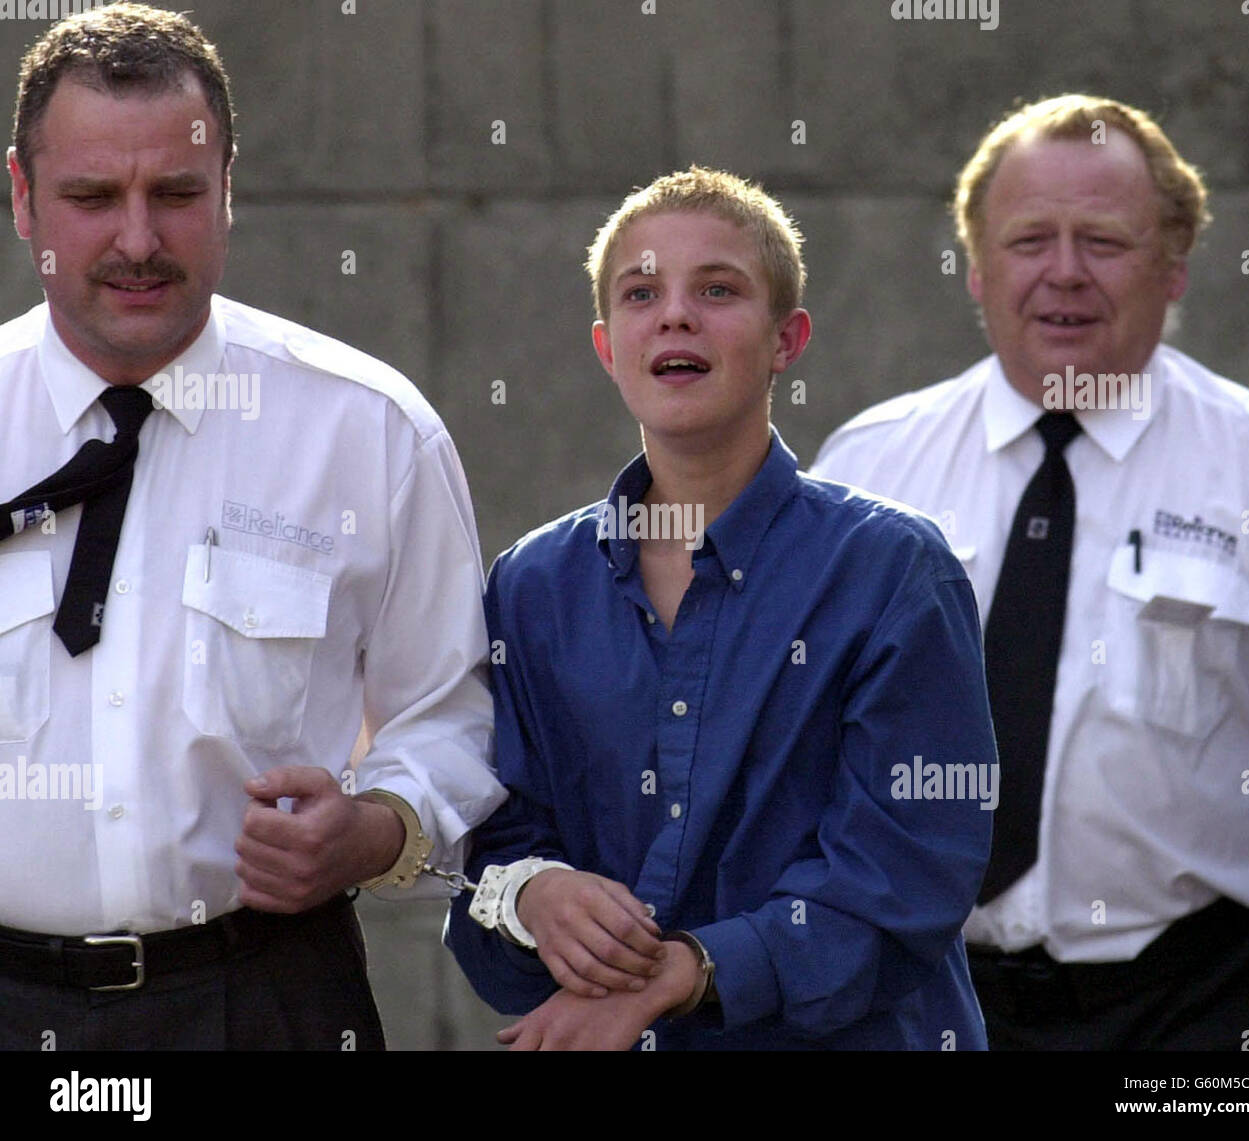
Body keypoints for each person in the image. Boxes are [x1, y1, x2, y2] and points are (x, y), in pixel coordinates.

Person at [0, 3, 504, 1049]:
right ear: (22, 198)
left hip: (263, 1000)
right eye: (92, 197)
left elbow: (452, 713)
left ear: (230, 190)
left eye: (177, 194)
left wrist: (376, 830)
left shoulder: (366, 431)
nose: (137, 240)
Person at [444, 166, 996, 1050]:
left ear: (788, 340)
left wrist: (694, 968)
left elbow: (906, 877)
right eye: (641, 292)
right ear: (607, 345)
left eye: (718, 289)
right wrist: (534, 896)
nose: (674, 314)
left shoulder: (892, 570)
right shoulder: (533, 584)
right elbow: (492, 836)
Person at [813, 94, 1249, 1050]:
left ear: (1175, 269)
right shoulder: (867, 471)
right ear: (976, 268)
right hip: (923, 1001)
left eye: (1105, 242)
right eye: (1031, 239)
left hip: (1210, 1006)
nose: (1064, 273)